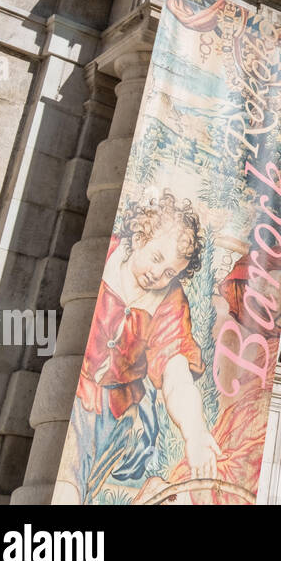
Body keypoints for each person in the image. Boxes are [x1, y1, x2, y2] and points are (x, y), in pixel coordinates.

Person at [55, 190, 219, 504]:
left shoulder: (171, 301)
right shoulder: (106, 255)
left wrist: (195, 432)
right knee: (67, 481)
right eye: (157, 258)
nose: (159, 274)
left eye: (171, 271)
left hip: (118, 419)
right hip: (76, 399)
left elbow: (176, 375)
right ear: (139, 237)